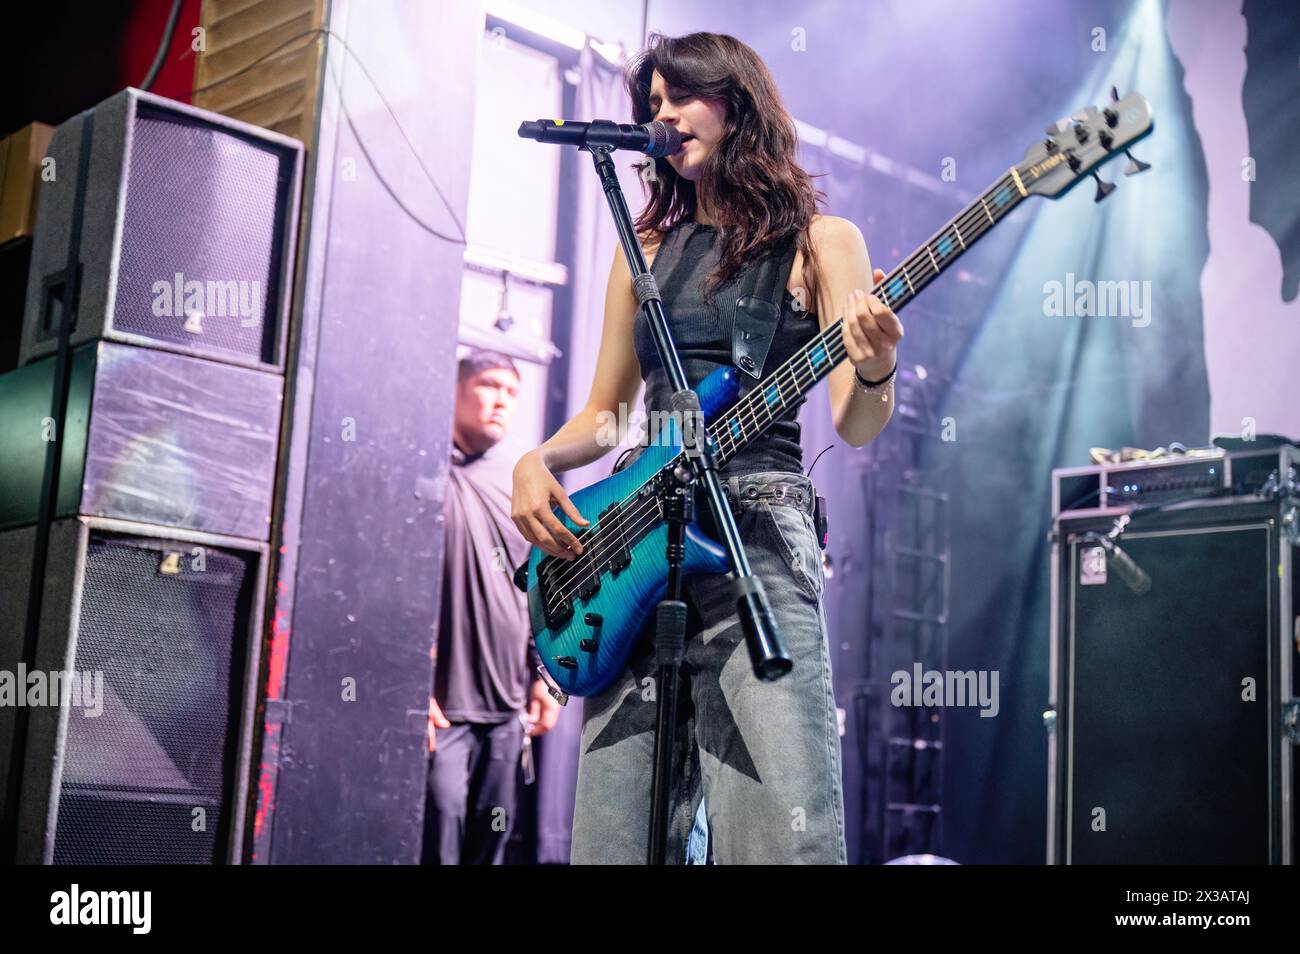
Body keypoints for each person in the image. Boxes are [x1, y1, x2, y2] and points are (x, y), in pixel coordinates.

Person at [510, 32, 903, 864]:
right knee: (615, 841)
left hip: (755, 533)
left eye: (680, 97)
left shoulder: (822, 243)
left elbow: (856, 421)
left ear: (737, 103)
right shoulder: (644, 253)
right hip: (632, 547)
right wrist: (536, 460)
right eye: (650, 104)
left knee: (778, 836)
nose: (662, 115)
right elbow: (607, 417)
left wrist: (875, 368)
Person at [424, 350, 561, 865]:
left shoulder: (519, 485)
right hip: (442, 708)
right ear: (455, 389)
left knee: (493, 835)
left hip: (506, 707)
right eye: (489, 385)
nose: (501, 399)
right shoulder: (425, 467)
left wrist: (543, 678)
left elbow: (538, 587)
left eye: (511, 391)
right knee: (442, 830)